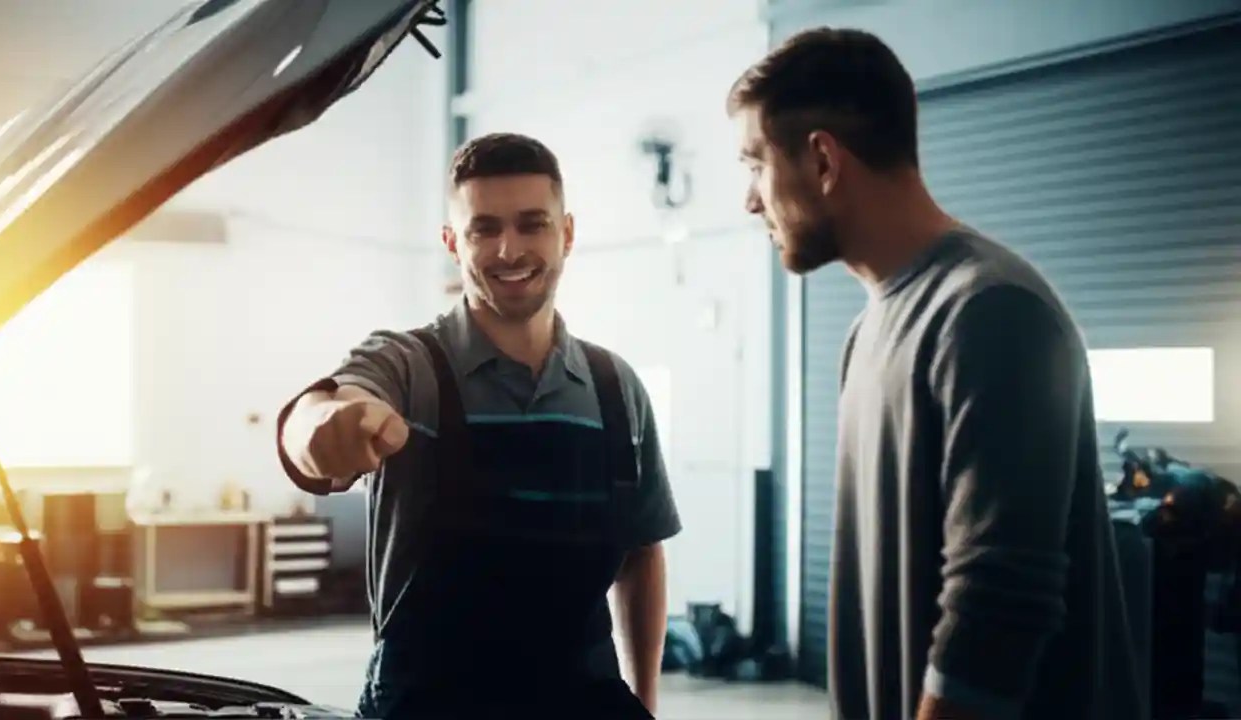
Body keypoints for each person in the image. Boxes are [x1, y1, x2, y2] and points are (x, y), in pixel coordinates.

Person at [726, 28, 1145, 720]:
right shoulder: (869, 332)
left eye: (754, 165)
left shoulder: (991, 311)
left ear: (823, 159)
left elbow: (998, 607)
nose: (749, 201)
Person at [276, 132, 680, 719]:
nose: (508, 250)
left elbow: (642, 552)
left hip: (583, 700)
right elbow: (323, 410)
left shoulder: (615, 388)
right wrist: (318, 430)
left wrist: (644, 703)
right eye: (484, 229)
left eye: (531, 224)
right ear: (452, 242)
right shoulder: (411, 366)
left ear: (566, 233)